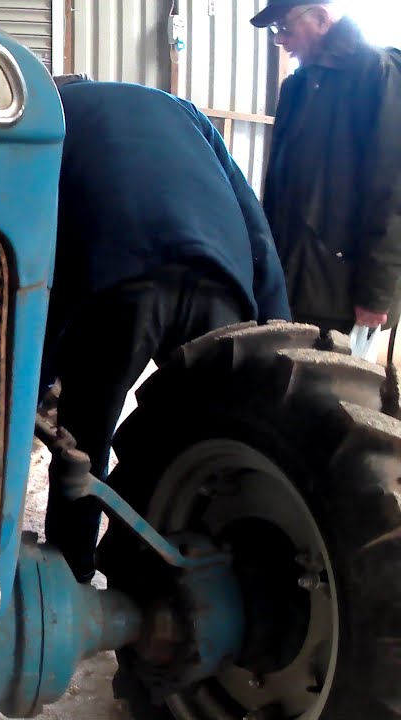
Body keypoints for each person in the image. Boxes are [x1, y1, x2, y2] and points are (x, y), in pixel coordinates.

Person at [41, 77, 292, 583]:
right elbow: (254, 222)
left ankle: (70, 578)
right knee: (210, 445)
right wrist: (277, 328)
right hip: (221, 278)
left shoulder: (50, 116)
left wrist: (37, 375)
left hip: (119, 284)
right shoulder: (181, 111)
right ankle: (195, 577)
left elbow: (34, 233)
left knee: (83, 445)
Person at [251, 1, 401, 334]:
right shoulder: (296, 87)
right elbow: (278, 188)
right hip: (290, 281)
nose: (279, 39)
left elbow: (392, 192)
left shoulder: (378, 73)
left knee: (331, 369)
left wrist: (377, 292)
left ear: (320, 18)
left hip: (343, 292)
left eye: (285, 28)